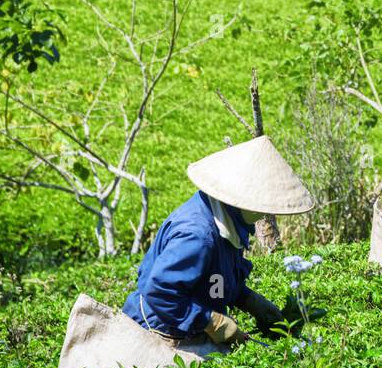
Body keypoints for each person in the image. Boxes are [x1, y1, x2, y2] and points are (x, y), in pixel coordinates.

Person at [122, 135, 316, 346]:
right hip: (160, 331)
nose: (266, 213)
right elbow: (160, 293)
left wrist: (247, 299)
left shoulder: (228, 221)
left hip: (189, 326)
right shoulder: (197, 236)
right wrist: (211, 322)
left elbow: (214, 278)